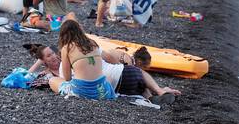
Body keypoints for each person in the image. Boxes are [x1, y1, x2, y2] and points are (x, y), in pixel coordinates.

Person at [26, 42, 177, 103]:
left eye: (53, 53)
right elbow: (28, 75)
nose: (53, 56)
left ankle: (155, 93)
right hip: (104, 82)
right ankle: (153, 95)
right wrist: (39, 61)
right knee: (131, 75)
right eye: (48, 56)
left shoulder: (70, 56)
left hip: (113, 75)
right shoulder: (51, 73)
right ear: (44, 61)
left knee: (126, 67)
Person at [48, 20, 116, 100]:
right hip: (103, 91)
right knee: (105, 78)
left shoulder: (66, 48)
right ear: (79, 30)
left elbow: (67, 78)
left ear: (63, 35)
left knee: (52, 80)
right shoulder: (93, 43)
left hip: (82, 91)